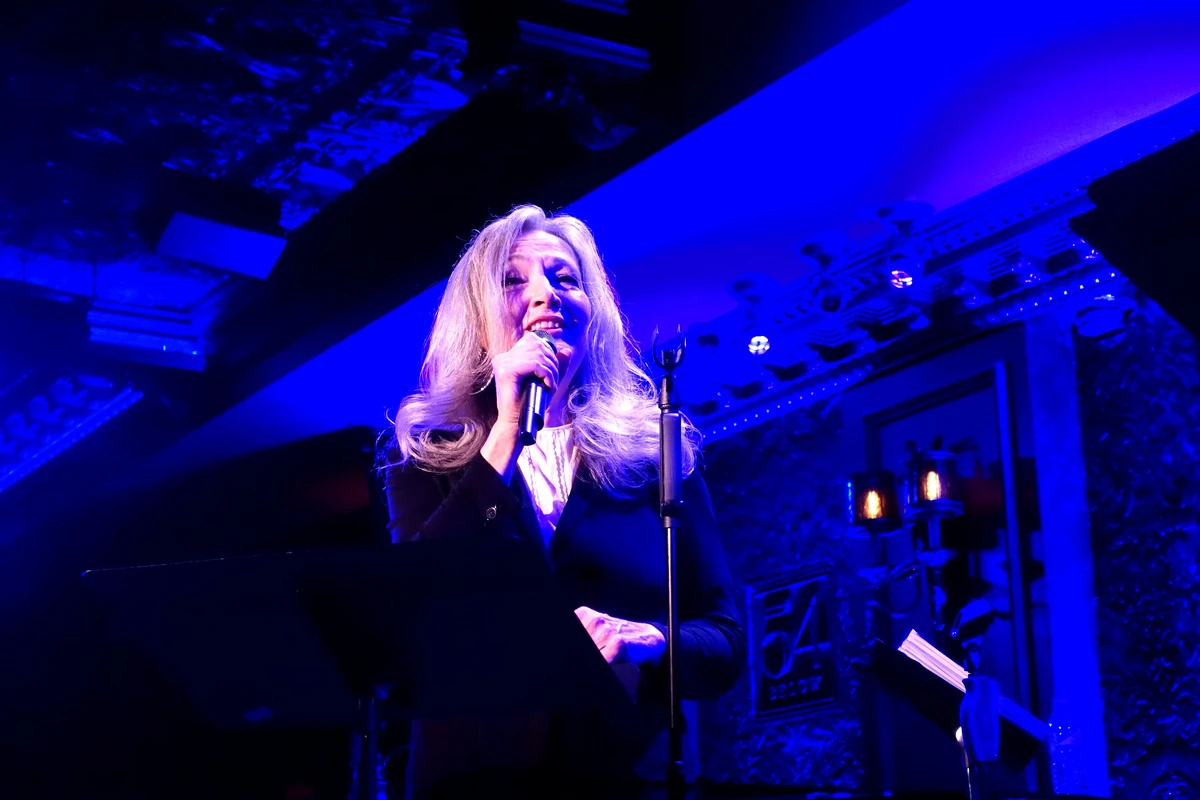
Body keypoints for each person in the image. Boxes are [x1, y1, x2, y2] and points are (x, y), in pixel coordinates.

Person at [383, 204, 745, 798]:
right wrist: (504, 435)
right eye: (513, 280)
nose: (545, 294)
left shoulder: (654, 455)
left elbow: (724, 642)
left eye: (565, 278)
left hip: (623, 778)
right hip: (473, 782)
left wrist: (648, 639)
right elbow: (411, 609)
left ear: (592, 309)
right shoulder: (429, 455)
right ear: (476, 316)